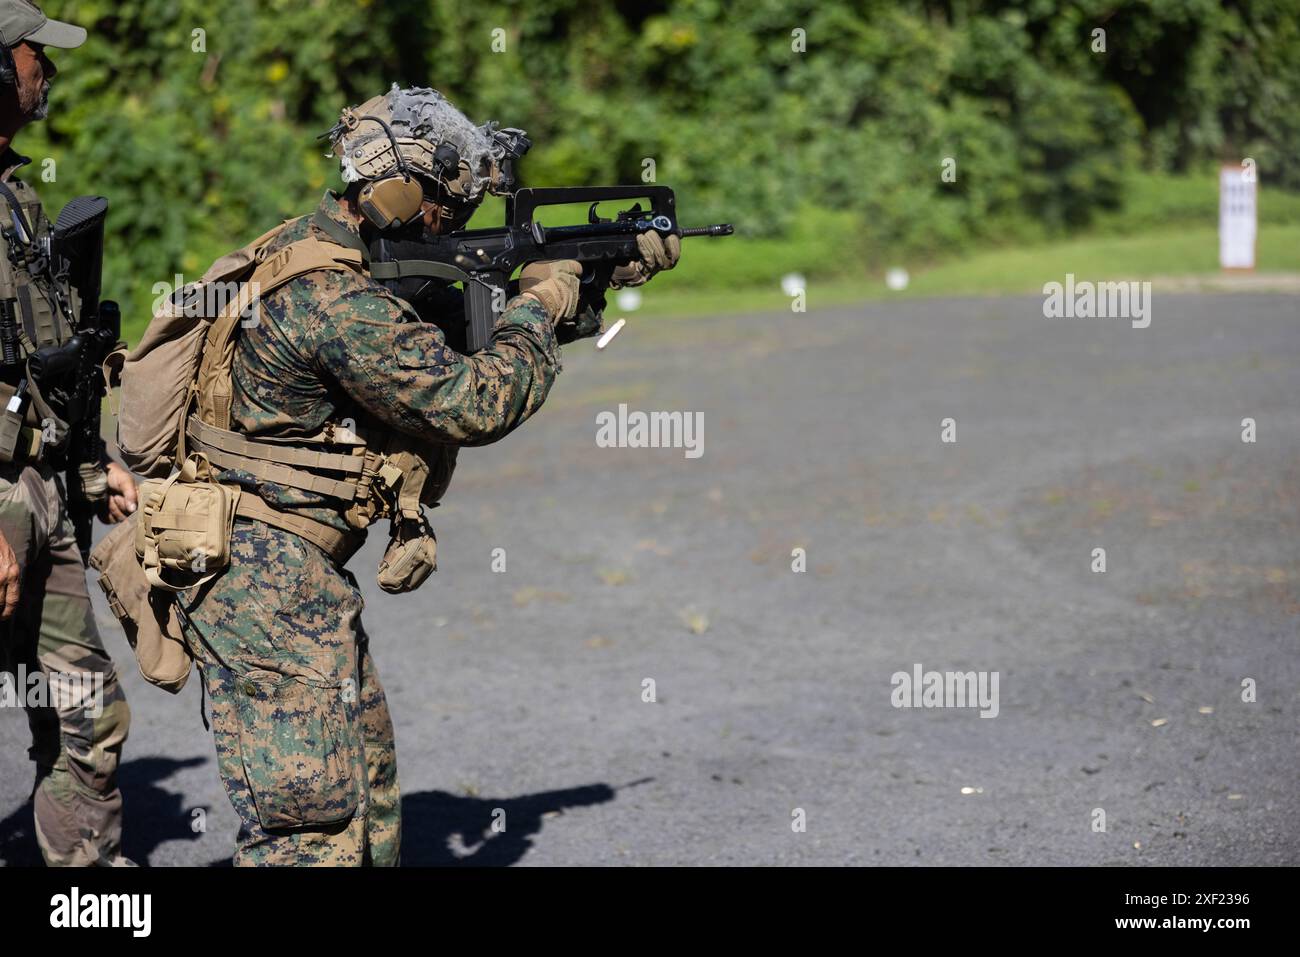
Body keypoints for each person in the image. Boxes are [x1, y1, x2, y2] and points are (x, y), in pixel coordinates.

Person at [176, 85, 679, 865]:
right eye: (445, 203)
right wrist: (541, 306)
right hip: (263, 584)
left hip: (292, 578)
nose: (454, 221)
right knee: (311, 829)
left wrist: (594, 276)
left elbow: (449, 331)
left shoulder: (321, 249)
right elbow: (469, 398)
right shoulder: (331, 296)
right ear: (398, 192)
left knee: (367, 806)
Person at [0, 0, 135, 867]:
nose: (46, 71)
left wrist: (93, 457)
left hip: (38, 479)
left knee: (84, 704)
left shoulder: (14, 191)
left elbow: (39, 360)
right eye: (31, 56)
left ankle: (82, 882)